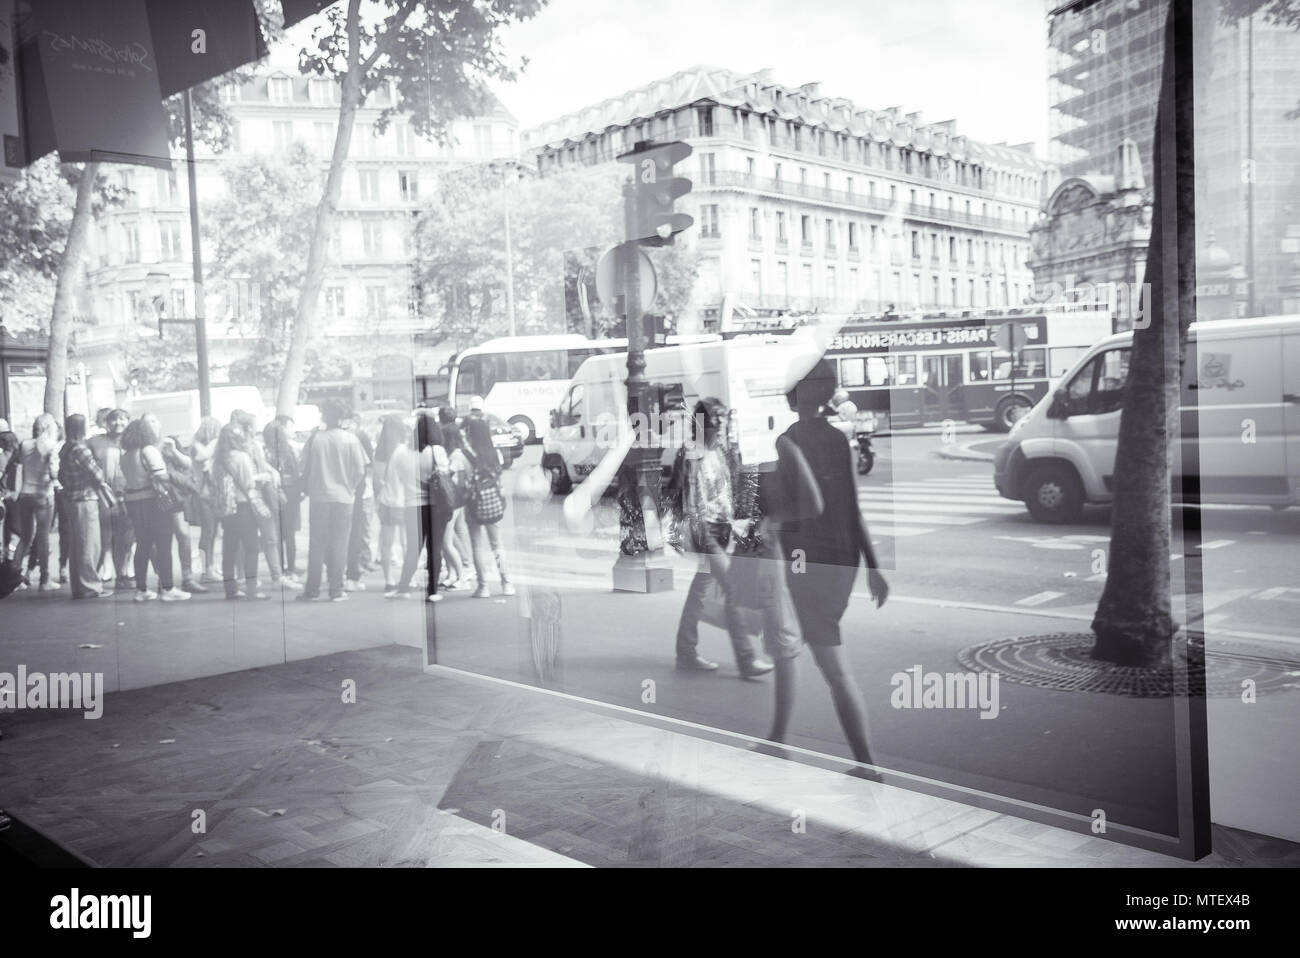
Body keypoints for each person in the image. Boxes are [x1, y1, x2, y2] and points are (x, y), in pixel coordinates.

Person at [775, 358, 889, 771]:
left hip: (811, 562)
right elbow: (854, 508)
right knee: (791, 646)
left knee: (830, 664)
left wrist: (771, 521)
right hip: (844, 561)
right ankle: (777, 737)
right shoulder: (839, 440)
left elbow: (800, 508)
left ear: (795, 395)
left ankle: (867, 762)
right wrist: (874, 569)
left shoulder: (788, 441)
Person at [669, 398, 772, 678]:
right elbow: (687, 496)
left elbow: (731, 489)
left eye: (724, 419)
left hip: (722, 529)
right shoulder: (692, 452)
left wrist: (741, 521)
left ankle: (686, 652)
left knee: (699, 593)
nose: (722, 425)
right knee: (733, 590)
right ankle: (746, 659)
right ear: (704, 423)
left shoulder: (722, 449)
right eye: (717, 420)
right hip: (704, 532)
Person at [298, 399, 367, 603]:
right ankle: (336, 589)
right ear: (342, 417)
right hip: (344, 497)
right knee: (339, 543)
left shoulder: (315, 439)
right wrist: (350, 486)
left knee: (317, 543)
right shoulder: (351, 439)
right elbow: (360, 470)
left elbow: (304, 466)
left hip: (319, 496)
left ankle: (312, 589)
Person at [120, 414, 191, 602]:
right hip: (153, 502)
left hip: (134, 502)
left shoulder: (126, 456)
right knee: (163, 544)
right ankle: (167, 588)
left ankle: (141, 589)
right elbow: (161, 476)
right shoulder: (149, 450)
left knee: (143, 545)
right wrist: (178, 480)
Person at [57, 414, 116, 599]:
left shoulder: (65, 448)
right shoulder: (81, 449)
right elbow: (98, 475)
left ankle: (79, 586)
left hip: (70, 499)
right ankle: (90, 586)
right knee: (89, 545)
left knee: (77, 545)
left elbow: (60, 476)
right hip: (86, 499)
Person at [392, 412, 448, 602]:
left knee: (413, 549)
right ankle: (432, 591)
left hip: (412, 506)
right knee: (435, 547)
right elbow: (445, 476)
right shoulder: (436, 451)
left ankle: (403, 588)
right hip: (435, 506)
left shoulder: (402, 453)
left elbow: (399, 477)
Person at [211, 423, 269, 600]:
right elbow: (249, 483)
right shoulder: (241, 457)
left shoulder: (219, 459)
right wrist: (261, 478)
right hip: (243, 507)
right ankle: (252, 589)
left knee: (229, 549)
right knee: (252, 548)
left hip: (226, 509)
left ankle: (231, 589)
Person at [458, 416, 514, 599]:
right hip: (493, 501)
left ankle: (483, 587)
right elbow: (499, 477)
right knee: (498, 546)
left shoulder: (463, 455)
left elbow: (460, 483)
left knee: (476, 546)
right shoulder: (494, 453)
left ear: (471, 434)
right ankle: (507, 583)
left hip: (473, 504)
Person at [8, 413, 61, 591]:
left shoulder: (24, 445)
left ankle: (13, 579)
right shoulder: (51, 446)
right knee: (43, 537)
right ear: (49, 428)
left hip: (25, 494)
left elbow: (15, 464)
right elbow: (54, 471)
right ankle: (45, 579)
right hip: (43, 495)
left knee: (25, 538)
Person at [88, 408, 133, 589]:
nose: (118, 423)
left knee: (126, 538)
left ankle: (122, 574)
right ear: (107, 423)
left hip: (128, 495)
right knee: (103, 538)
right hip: (103, 496)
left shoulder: (132, 442)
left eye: (122, 419)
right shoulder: (94, 442)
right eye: (114, 420)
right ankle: (94, 578)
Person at [158, 430, 206, 594]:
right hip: (162, 501)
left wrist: (171, 467)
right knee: (162, 541)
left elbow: (189, 475)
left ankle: (187, 578)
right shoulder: (154, 456)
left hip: (177, 503)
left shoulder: (179, 460)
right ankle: (165, 579)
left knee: (183, 537)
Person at [373, 415, 410, 594]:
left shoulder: (380, 453)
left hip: (387, 502)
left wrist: (378, 499)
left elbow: (377, 481)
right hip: (405, 502)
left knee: (386, 544)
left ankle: (389, 579)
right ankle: (406, 579)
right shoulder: (404, 450)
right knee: (406, 543)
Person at [263, 414, 302, 578]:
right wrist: (301, 492)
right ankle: (291, 569)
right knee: (290, 533)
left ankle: (279, 569)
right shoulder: (289, 450)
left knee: (276, 533)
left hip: (271, 492)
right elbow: (295, 472)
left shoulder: (264, 452)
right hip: (290, 492)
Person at [439, 408, 473, 582]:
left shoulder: (455, 456)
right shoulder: (461, 450)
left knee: (450, 534)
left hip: (454, 499)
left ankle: (464, 564)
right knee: (458, 530)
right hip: (460, 498)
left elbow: (451, 477)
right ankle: (458, 567)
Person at [343, 412, 375, 592]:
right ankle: (352, 575)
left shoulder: (323, 438)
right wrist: (357, 487)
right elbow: (363, 467)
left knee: (340, 536)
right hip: (354, 492)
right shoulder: (355, 439)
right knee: (356, 533)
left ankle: (342, 574)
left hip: (338, 492)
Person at [190, 417, 222, 585]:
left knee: (212, 532)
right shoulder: (200, 448)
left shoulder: (198, 446)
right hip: (204, 494)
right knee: (208, 532)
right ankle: (205, 569)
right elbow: (203, 455)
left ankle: (210, 565)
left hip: (209, 493)